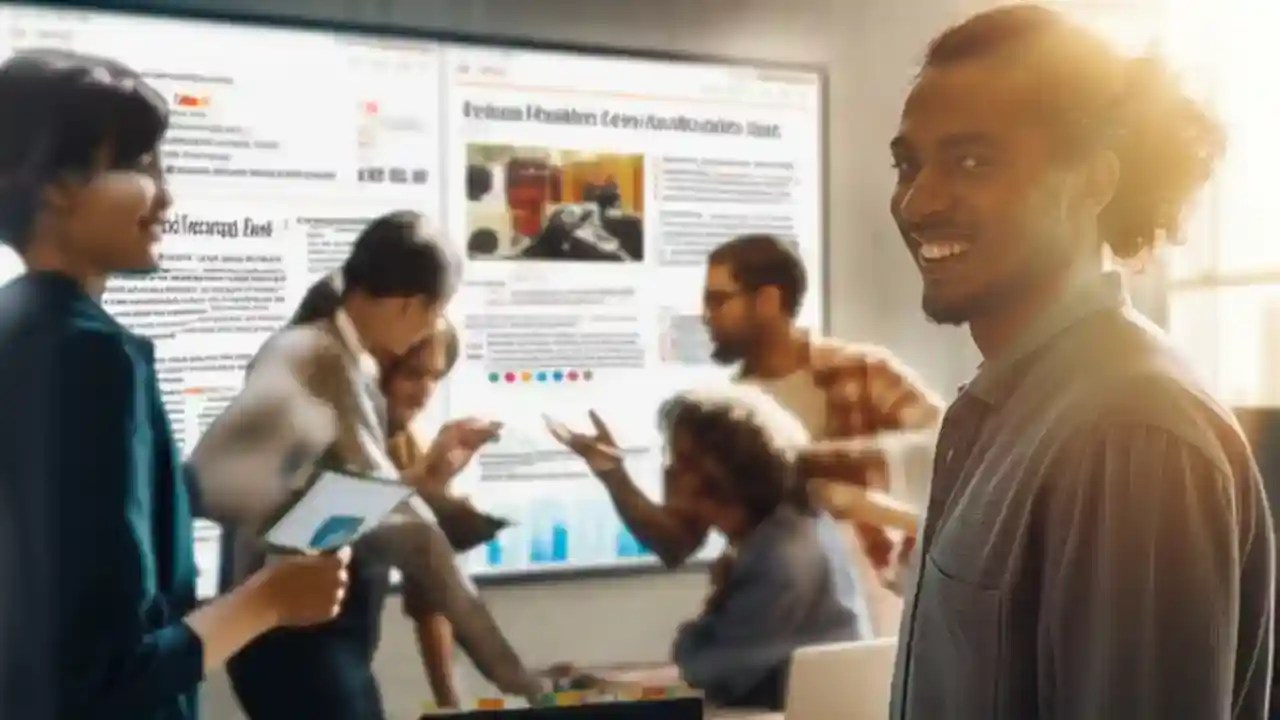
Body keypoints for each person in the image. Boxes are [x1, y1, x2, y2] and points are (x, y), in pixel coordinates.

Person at [887, 6, 1273, 719]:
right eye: (909, 164)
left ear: (1094, 183)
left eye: (974, 162)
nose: (918, 201)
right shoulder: (1007, 410)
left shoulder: (1127, 432)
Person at [0, 49, 349, 720]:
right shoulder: (93, 357)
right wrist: (272, 600)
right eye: (137, 166)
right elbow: (109, 677)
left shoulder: (20, 332)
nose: (166, 196)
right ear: (52, 184)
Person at [192, 215, 541, 720]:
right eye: (432, 313)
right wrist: (512, 672)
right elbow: (414, 536)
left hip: (301, 629)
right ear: (410, 306)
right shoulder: (327, 358)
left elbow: (353, 494)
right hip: (296, 644)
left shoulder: (328, 317)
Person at [550, 234, 942, 601]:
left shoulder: (861, 371)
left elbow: (953, 449)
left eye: (718, 301)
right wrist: (613, 476)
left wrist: (837, 482)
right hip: (772, 617)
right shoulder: (720, 418)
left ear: (768, 301)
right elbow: (676, 544)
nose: (705, 316)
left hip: (873, 612)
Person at [660, 385, 866, 710]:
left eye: (680, 460)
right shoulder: (793, 527)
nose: (668, 472)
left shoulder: (777, 555)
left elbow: (709, 669)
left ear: (717, 474)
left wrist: (691, 637)